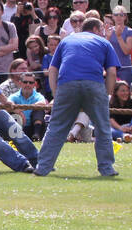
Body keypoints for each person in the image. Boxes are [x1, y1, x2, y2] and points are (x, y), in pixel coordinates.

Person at [33, 16, 120, 177]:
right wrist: (106, 94)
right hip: (94, 84)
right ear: (95, 29)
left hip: (66, 84)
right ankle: (106, 168)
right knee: (102, 127)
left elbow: (53, 70)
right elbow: (112, 72)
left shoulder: (66, 41)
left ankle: (42, 167)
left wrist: (55, 93)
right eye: (101, 30)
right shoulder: (104, 43)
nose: (103, 33)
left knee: (56, 127)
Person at [8, 72, 49, 140]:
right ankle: (15, 137)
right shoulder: (14, 96)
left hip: (34, 127)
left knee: (39, 109)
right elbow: (8, 104)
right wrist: (18, 112)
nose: (28, 84)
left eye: (31, 82)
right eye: (25, 82)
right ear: (20, 83)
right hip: (19, 127)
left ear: (34, 84)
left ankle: (36, 136)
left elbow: (43, 104)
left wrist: (21, 109)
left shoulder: (38, 96)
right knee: (13, 112)